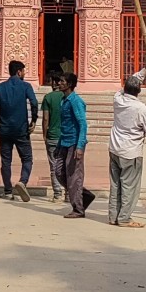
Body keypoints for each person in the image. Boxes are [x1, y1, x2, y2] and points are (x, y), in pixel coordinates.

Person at [108, 74, 146, 228]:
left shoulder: (118, 99)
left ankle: (113, 216)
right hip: (131, 152)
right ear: (139, 91)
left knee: (116, 185)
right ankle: (124, 218)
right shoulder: (140, 108)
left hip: (115, 148)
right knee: (129, 187)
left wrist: (144, 70)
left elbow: (131, 81)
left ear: (125, 88)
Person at [0, 60, 39, 202]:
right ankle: (22, 182)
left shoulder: (0, 87)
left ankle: (8, 191)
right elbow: (34, 103)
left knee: (6, 161)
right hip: (21, 129)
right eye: (24, 71)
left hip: (4, 130)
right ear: (19, 72)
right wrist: (33, 121)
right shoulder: (26, 86)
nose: (25, 73)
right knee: (27, 158)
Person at [55, 72, 95, 218]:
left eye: (62, 81)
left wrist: (80, 146)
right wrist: (59, 144)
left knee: (73, 176)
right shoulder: (63, 100)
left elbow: (82, 123)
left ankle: (78, 208)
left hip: (74, 143)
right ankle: (83, 195)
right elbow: (65, 125)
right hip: (65, 141)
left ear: (69, 84)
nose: (59, 83)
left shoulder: (75, 101)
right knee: (59, 172)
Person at [40, 74, 64, 202]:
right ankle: (69, 194)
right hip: (65, 137)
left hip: (52, 136)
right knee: (66, 165)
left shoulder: (48, 98)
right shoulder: (67, 97)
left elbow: (45, 118)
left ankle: (57, 193)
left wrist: (44, 134)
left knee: (54, 166)